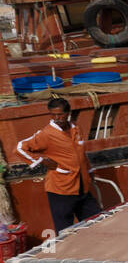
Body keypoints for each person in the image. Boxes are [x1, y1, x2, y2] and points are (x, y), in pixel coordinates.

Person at [15, 98, 102, 233]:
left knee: (96, 221)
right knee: (65, 231)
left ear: (68, 113)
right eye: (53, 115)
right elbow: (20, 148)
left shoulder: (76, 128)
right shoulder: (47, 133)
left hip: (82, 187)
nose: (57, 118)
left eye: (60, 114)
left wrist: (89, 171)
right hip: (61, 189)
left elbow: (81, 153)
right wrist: (42, 161)